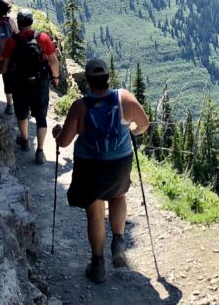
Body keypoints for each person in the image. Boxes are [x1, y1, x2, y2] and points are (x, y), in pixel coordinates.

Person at [53, 59, 150, 284]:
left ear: (88, 81)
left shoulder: (80, 106)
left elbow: (64, 143)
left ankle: (98, 265)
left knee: (95, 212)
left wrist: (57, 133)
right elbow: (144, 124)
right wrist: (129, 133)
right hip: (119, 163)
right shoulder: (124, 98)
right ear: (108, 78)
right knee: (118, 196)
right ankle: (118, 241)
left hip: (91, 166)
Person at [0, 9, 61, 165]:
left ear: (18, 23)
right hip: (40, 82)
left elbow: (5, 66)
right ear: (31, 22)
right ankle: (40, 152)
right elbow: (53, 61)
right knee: (41, 117)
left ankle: (25, 141)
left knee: (22, 114)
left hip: (21, 83)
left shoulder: (13, 41)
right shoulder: (43, 38)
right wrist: (56, 77)